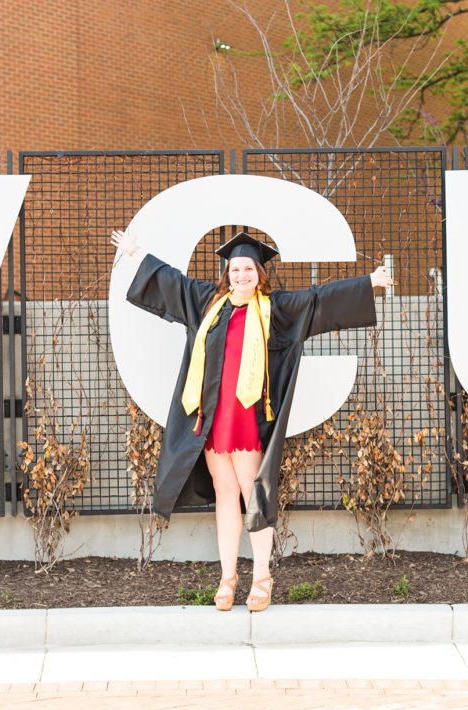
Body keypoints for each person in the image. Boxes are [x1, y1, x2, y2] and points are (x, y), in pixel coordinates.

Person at [110, 228, 394, 612]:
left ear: (259, 273)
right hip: (208, 420)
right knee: (225, 493)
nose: (241, 274)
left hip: (245, 420)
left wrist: (369, 283)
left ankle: (262, 577)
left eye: (248, 268)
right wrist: (135, 252)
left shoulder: (273, 309)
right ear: (227, 273)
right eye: (235, 268)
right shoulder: (208, 303)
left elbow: (318, 300)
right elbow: (171, 282)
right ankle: (228, 577)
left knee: (252, 493)